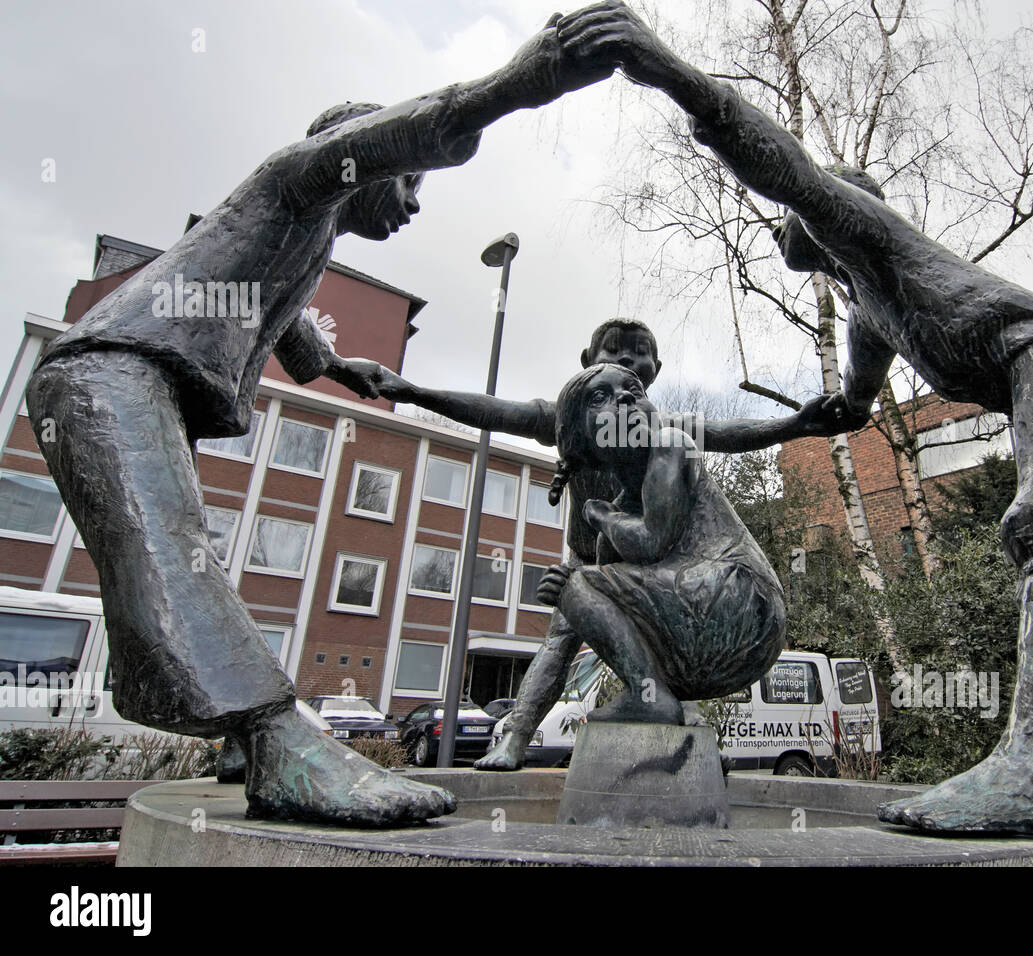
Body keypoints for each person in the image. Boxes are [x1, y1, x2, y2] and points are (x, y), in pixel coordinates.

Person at [555, 1, 1033, 834]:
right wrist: (818, 416)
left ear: (834, 211)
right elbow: (855, 404)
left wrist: (671, 72)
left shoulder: (867, 237)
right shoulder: (871, 308)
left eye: (804, 214)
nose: (784, 230)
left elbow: (779, 165)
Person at [24, 14, 615, 827]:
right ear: (359, 158)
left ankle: (241, 741)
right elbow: (427, 123)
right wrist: (525, 80)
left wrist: (346, 369)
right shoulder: (295, 180)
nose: (412, 203)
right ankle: (277, 742)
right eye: (407, 183)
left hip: (133, 385)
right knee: (170, 547)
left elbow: (296, 341)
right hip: (105, 377)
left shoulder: (302, 242)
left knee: (176, 551)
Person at [377, 317, 840, 767]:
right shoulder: (574, 416)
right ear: (586, 361)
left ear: (655, 372)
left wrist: (795, 425)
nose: (628, 359)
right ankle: (519, 735)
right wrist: (411, 391)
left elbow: (726, 432)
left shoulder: (660, 433)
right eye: (614, 349)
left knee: (610, 613)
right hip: (602, 556)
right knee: (563, 637)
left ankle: (670, 726)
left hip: (662, 563)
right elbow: (493, 411)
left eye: (641, 355)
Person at [531, 363, 786, 723]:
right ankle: (652, 695)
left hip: (743, 597)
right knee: (579, 587)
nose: (624, 397)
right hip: (711, 634)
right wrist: (565, 589)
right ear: (582, 436)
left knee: (580, 584)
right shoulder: (623, 509)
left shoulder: (670, 444)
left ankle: (648, 697)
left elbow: (651, 543)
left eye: (634, 391)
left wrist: (600, 517)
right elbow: (606, 591)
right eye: (601, 397)